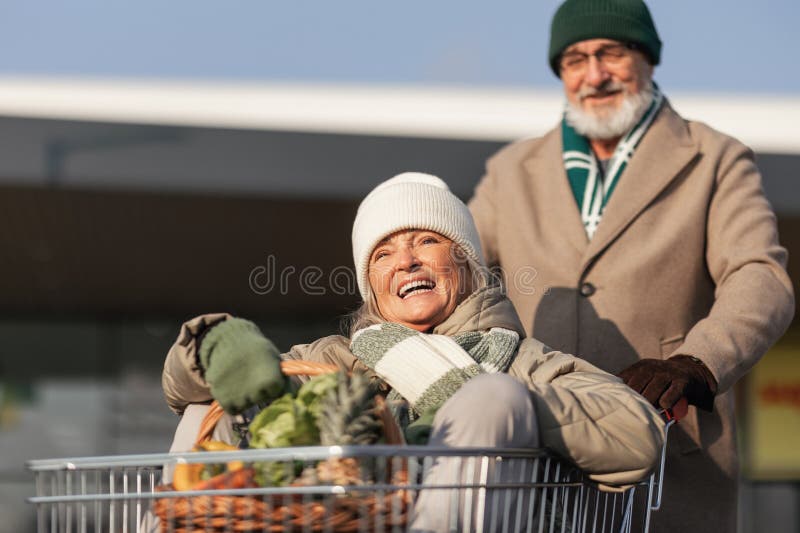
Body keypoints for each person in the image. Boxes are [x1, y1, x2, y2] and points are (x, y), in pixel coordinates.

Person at [161, 172, 665, 531]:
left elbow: (637, 434)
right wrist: (213, 345)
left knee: (493, 398)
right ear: (372, 285)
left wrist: (499, 401)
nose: (405, 261)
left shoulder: (525, 362)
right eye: (383, 253)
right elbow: (184, 389)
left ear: (465, 264)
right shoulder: (336, 361)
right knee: (212, 407)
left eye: (426, 240)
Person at [467, 1, 795, 531]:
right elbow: (459, 271)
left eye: (611, 53)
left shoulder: (715, 158)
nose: (593, 75)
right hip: (538, 456)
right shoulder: (512, 171)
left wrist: (697, 364)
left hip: (671, 451)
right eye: (574, 60)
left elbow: (760, 276)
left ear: (647, 58)